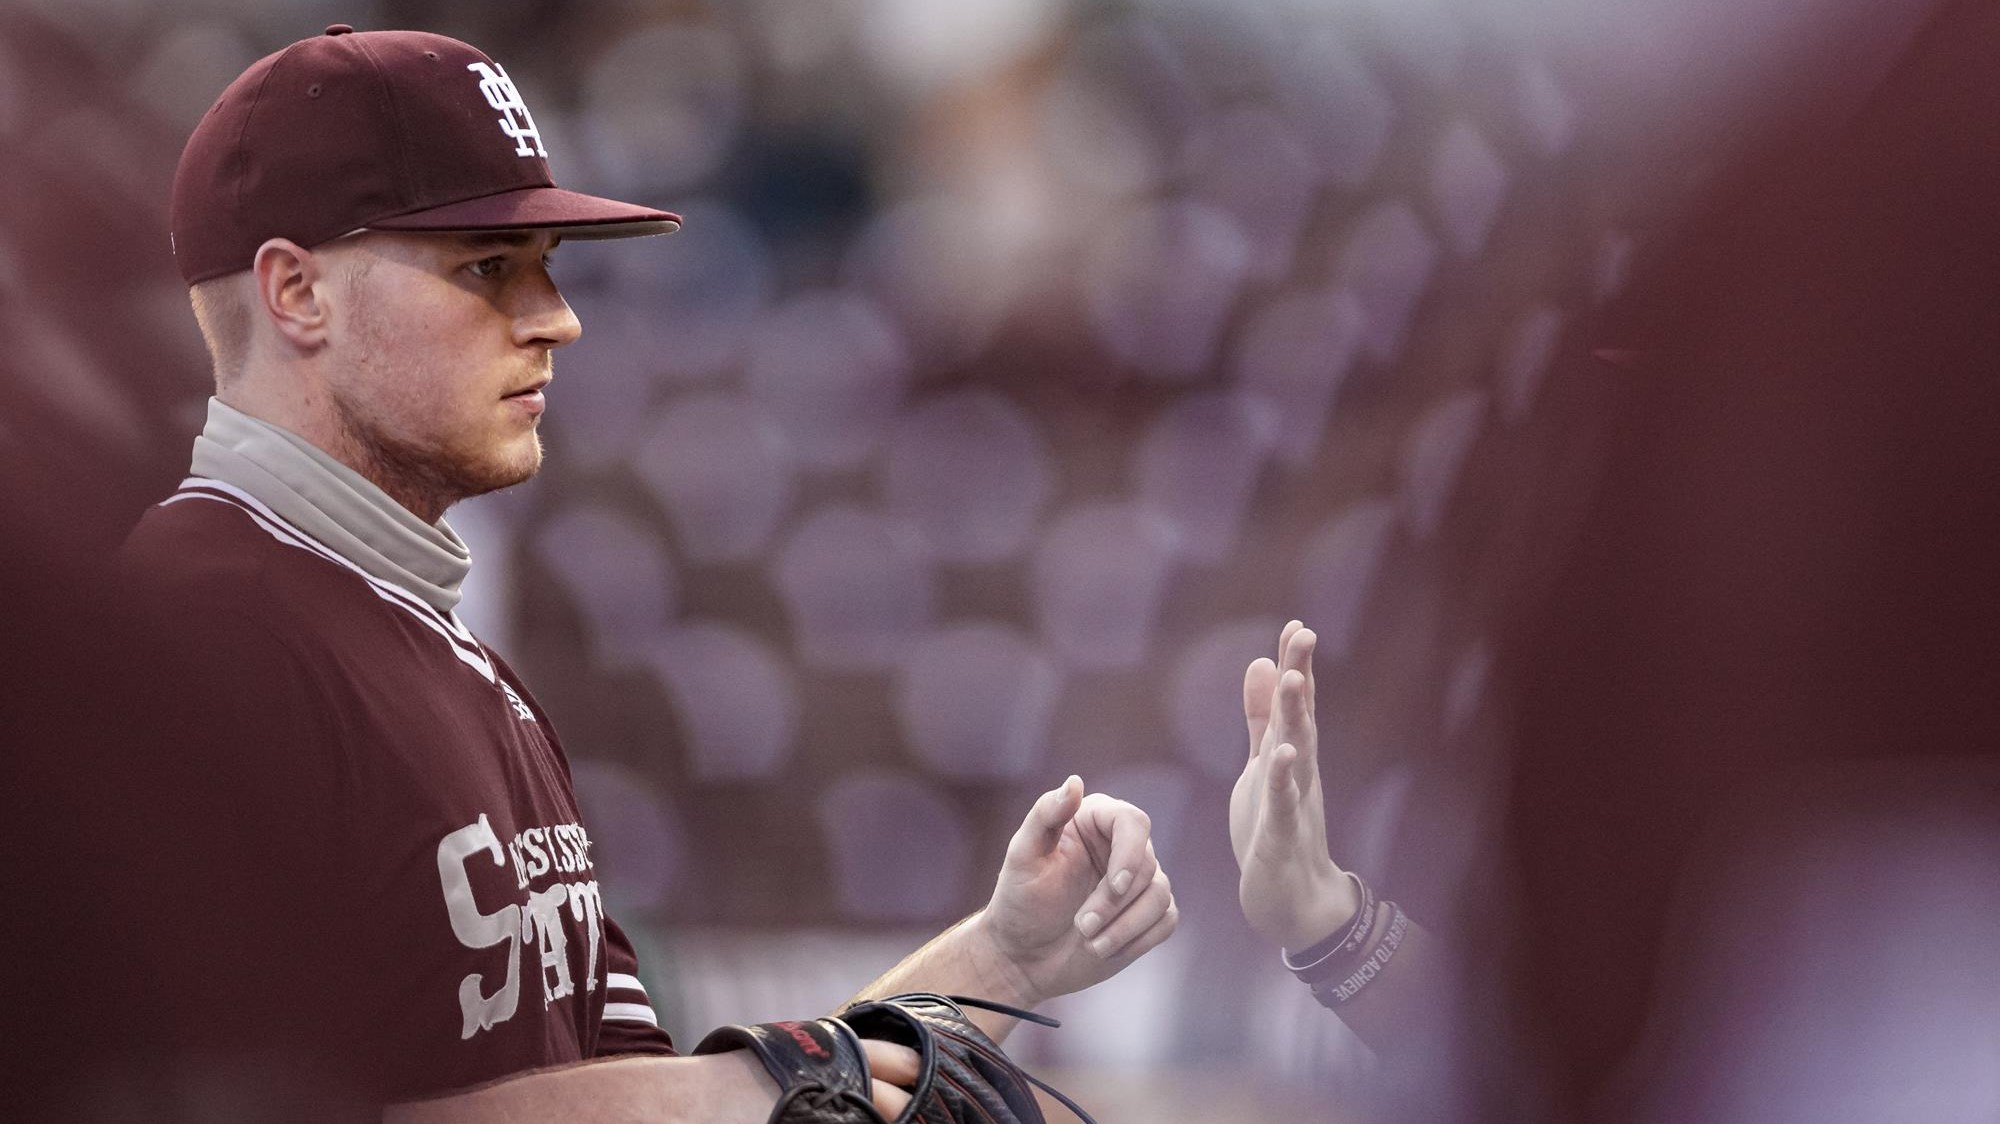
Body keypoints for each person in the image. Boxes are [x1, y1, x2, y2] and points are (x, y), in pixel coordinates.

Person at [119, 25, 1176, 1120]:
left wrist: (1003, 957)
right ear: (296, 292)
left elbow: (656, 1102)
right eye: (487, 267)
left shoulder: (467, 672)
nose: (556, 319)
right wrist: (753, 1084)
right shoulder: (190, 639)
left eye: (546, 269)